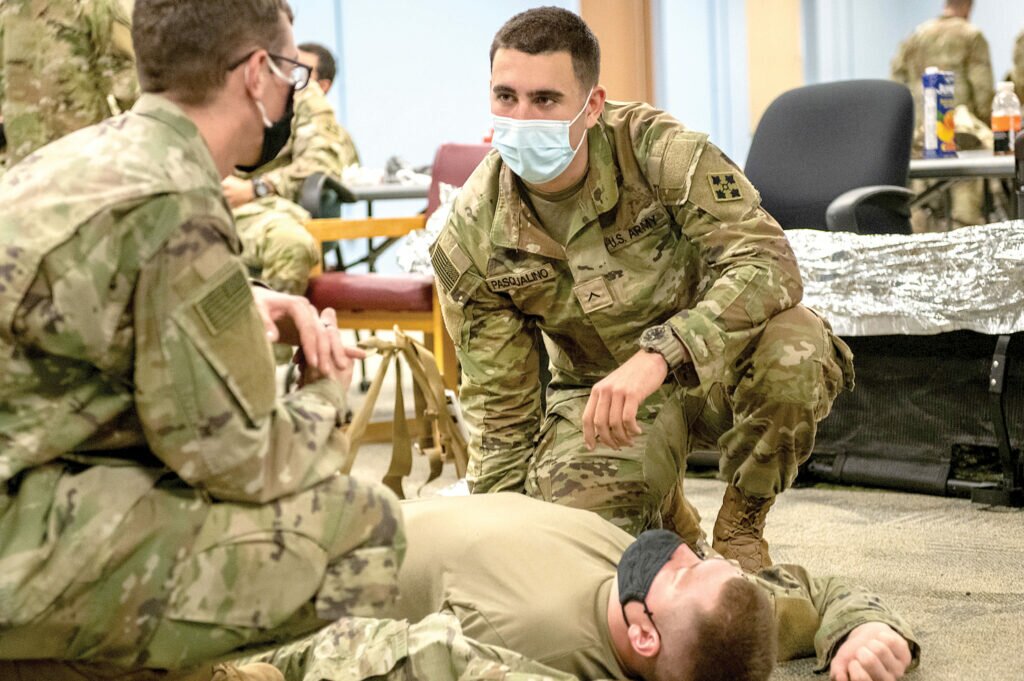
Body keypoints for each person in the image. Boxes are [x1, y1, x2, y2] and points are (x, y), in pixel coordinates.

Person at [0, 1, 404, 679]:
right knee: (362, 523)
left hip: (30, 486)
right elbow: (239, 460)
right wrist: (326, 394)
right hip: (21, 540)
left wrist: (243, 303)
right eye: (291, 75)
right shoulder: (177, 197)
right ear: (257, 75)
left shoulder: (84, 157)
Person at [430, 6, 854, 572]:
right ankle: (663, 503)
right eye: (506, 97)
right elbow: (500, 411)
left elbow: (769, 263)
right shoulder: (475, 232)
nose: (523, 118)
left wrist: (663, 353)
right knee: (576, 555)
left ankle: (740, 529)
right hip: (597, 405)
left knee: (796, 342)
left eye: (546, 100)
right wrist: (500, 539)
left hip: (712, 375)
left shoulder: (656, 152)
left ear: (592, 105)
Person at [247, 494, 919, 681]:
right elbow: (814, 585)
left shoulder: (529, 648)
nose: (682, 551)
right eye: (705, 557)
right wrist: (866, 628)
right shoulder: (668, 592)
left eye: (682, 570)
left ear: (644, 632)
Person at [221, 43, 358, 296]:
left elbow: (319, 163)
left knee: (290, 243)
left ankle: (274, 334)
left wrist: (256, 188)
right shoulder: (220, 87)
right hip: (206, 204)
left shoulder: (305, 97)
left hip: (264, 209)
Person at [890, 0, 995, 230]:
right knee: (964, 221)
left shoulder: (916, 35)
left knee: (922, 211)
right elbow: (983, 92)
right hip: (961, 139)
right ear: (968, 7)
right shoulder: (972, 35)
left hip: (921, 140)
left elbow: (896, 83)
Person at [0, 0, 138, 168]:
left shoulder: (92, 6)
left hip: (85, 165)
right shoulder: (8, 12)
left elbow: (128, 84)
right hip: (24, 171)